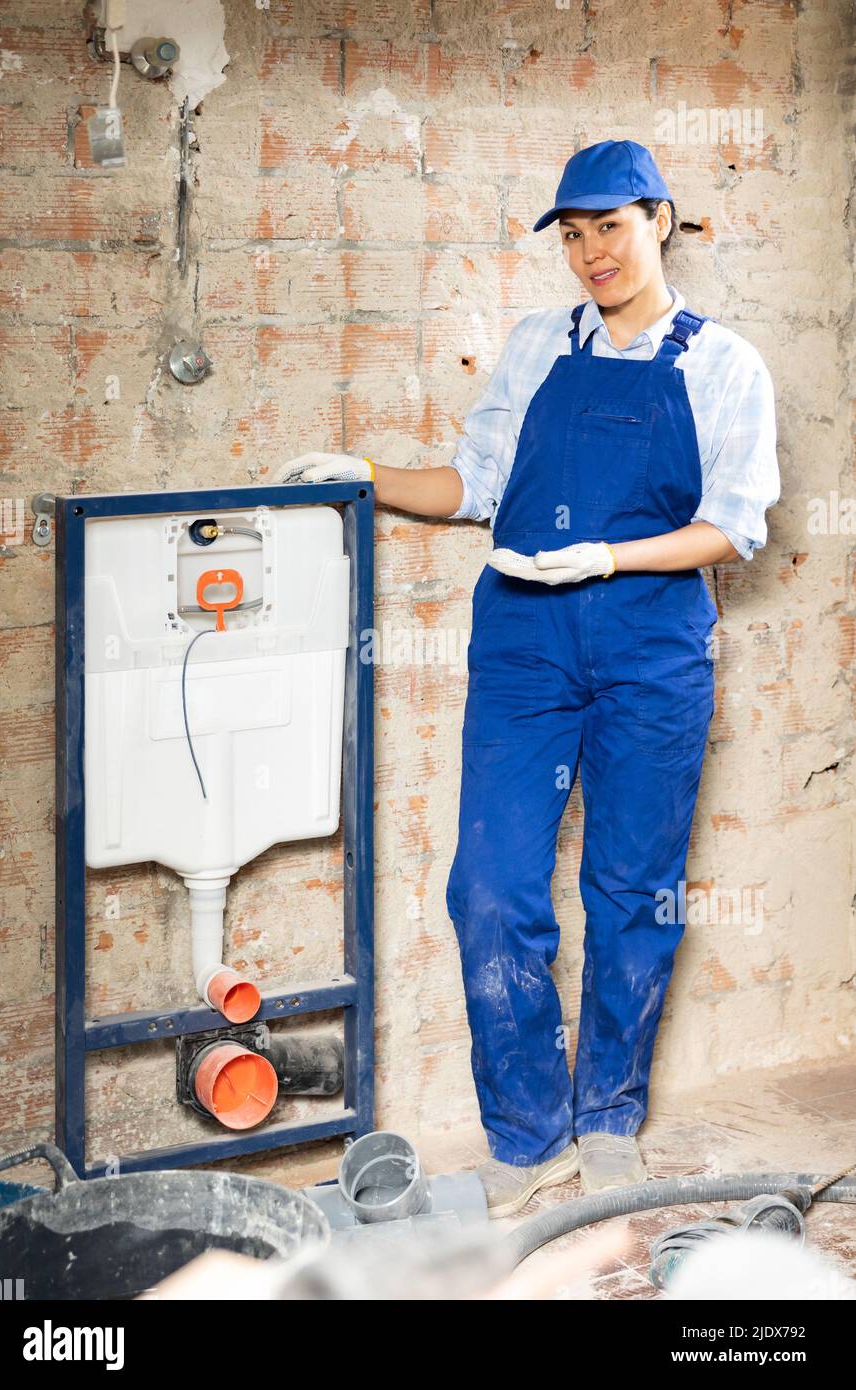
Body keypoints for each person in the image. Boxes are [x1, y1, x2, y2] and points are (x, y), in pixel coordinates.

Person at [270, 139, 780, 1217]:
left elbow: (732, 526)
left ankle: (606, 1118)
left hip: (650, 655)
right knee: (490, 887)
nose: (592, 252)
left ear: (660, 220)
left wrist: (607, 556)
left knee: (631, 892)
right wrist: (365, 474)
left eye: (611, 226)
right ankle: (527, 1133)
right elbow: (474, 484)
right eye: (574, 232)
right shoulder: (535, 345)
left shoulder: (721, 364)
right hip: (524, 645)